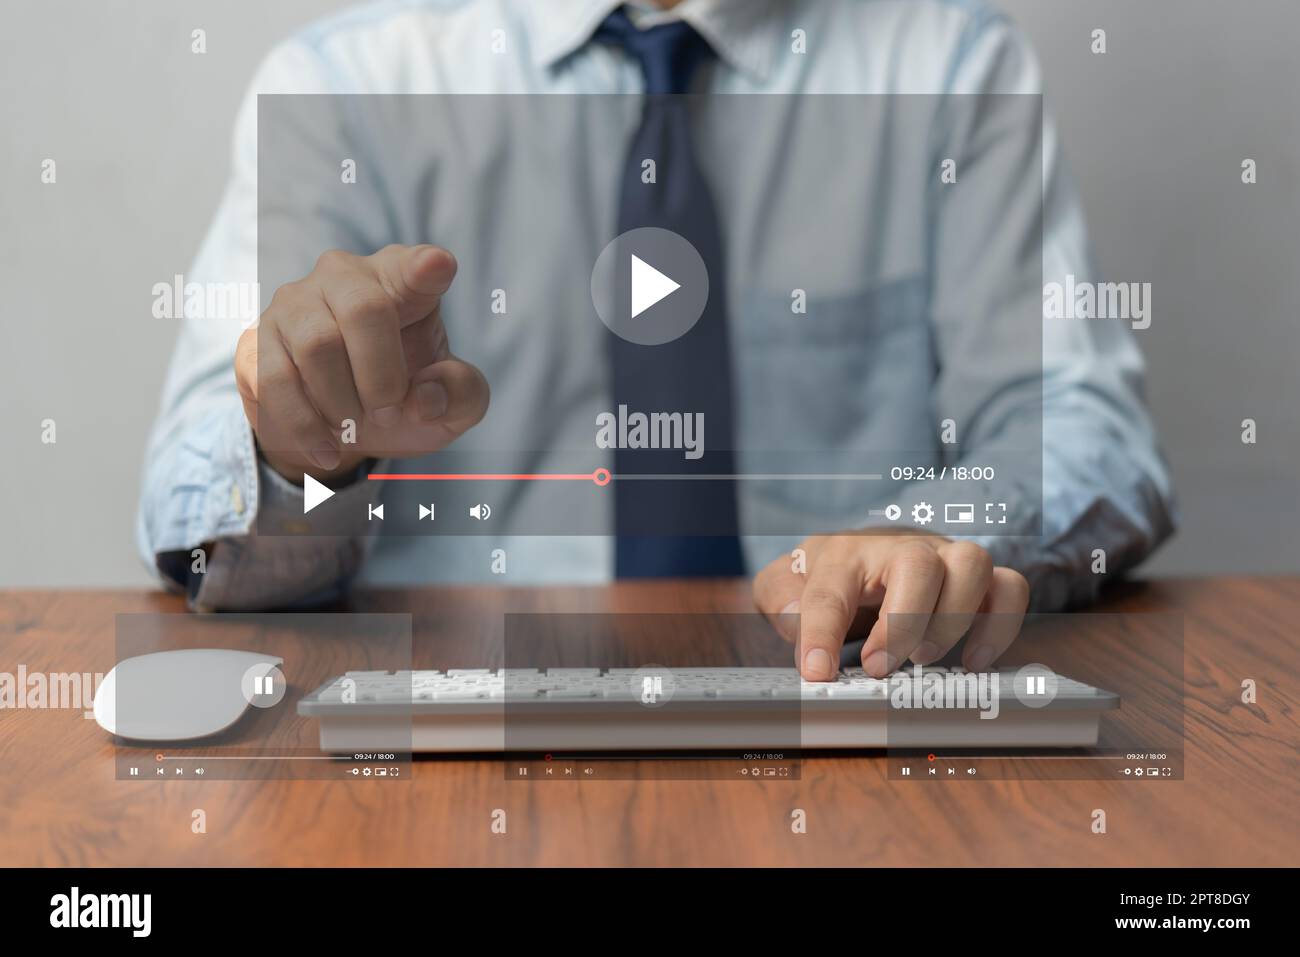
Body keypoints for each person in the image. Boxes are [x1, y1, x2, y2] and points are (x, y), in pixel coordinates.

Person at [137, 0, 1175, 681]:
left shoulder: (950, 66)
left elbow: (1078, 428)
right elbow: (195, 515)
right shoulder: (342, 91)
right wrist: (302, 457)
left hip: (843, 702)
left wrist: (943, 535)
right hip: (450, 716)